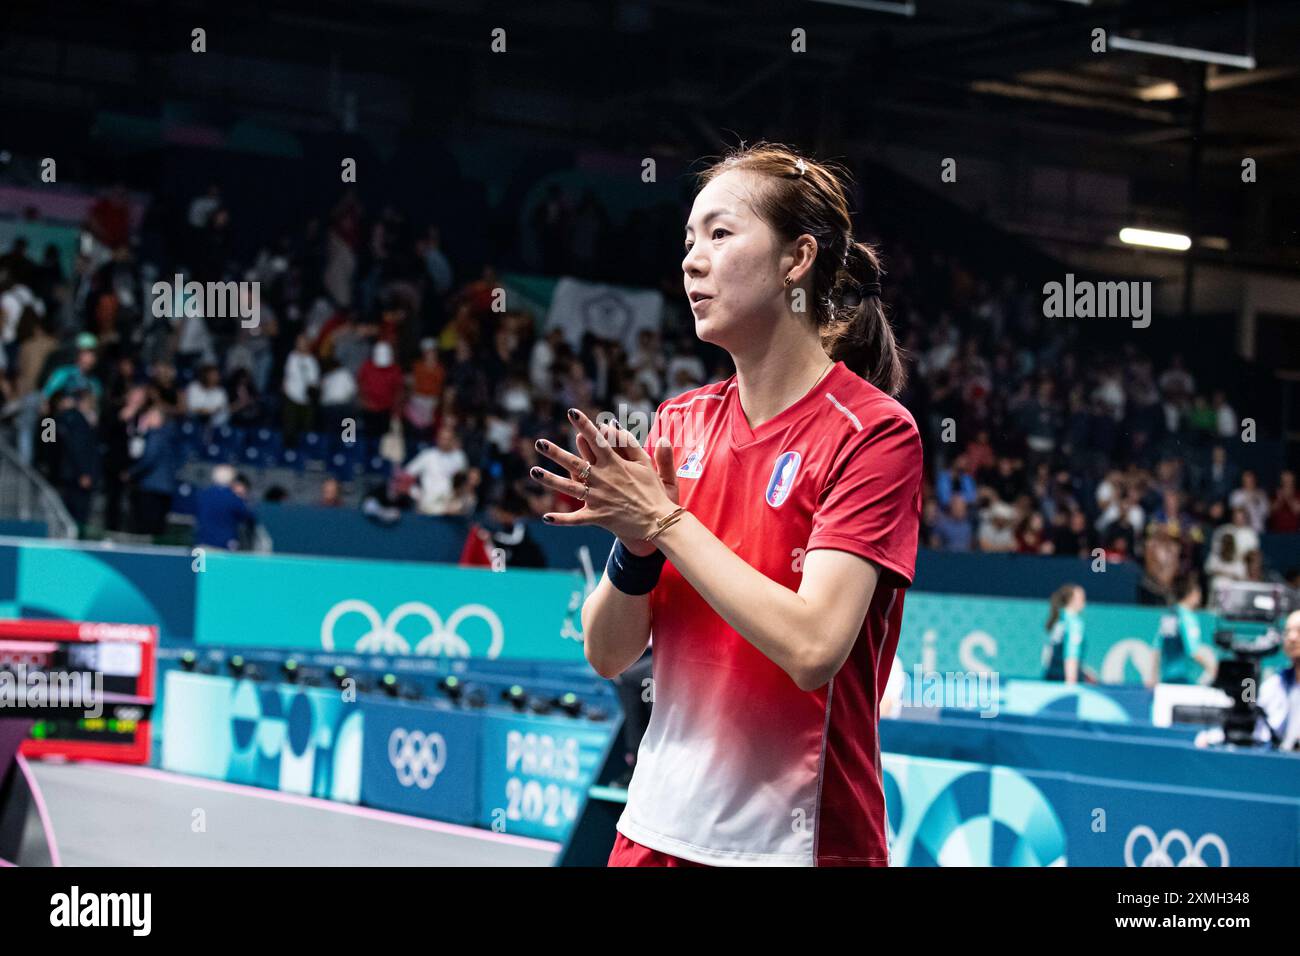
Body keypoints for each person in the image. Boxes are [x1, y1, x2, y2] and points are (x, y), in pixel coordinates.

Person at [528, 145, 922, 867]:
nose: (691, 260)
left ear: (796, 259)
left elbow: (812, 649)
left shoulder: (873, 434)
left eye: (719, 233)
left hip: (797, 843)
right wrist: (637, 548)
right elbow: (608, 651)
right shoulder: (679, 423)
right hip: (654, 833)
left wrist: (665, 523)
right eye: (687, 241)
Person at [1150, 576, 1217, 686]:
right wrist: (1212, 668)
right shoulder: (1187, 617)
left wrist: (1152, 676)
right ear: (1192, 593)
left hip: (1166, 679)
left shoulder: (1169, 614)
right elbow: (1193, 650)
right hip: (1184, 679)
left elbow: (1157, 647)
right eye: (1198, 592)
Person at [194, 464, 255, 550]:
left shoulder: (203, 494)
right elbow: (246, 515)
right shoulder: (233, 497)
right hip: (225, 544)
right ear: (231, 480)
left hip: (203, 542)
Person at [1042, 583, 1086, 684]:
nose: (1084, 602)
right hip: (1064, 678)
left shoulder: (1058, 620)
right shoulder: (1074, 623)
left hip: (1051, 676)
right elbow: (1071, 654)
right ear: (1071, 600)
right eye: (1082, 598)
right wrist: (1071, 682)